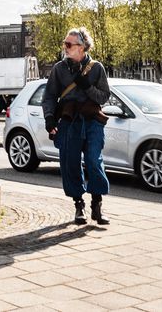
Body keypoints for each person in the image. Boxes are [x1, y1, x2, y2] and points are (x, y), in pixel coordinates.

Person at [42, 27, 111, 225]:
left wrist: (87, 87)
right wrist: (49, 119)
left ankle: (97, 205)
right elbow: (49, 96)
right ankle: (78, 205)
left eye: (69, 44)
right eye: (65, 43)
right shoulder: (59, 69)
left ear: (82, 47)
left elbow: (104, 96)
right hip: (69, 122)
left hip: (92, 121)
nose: (65, 47)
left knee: (93, 160)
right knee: (69, 162)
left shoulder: (97, 68)